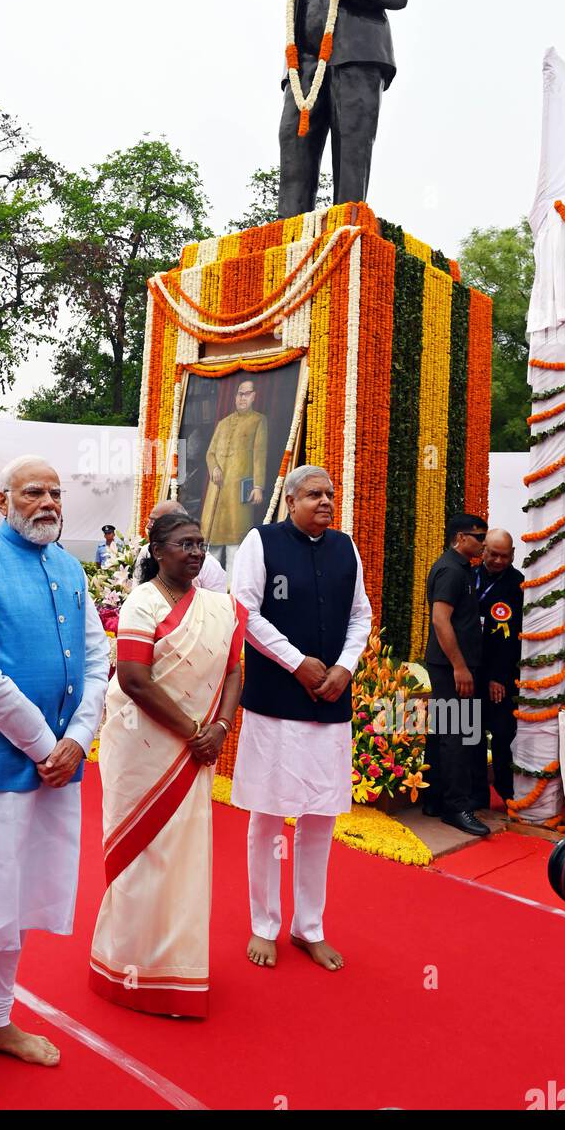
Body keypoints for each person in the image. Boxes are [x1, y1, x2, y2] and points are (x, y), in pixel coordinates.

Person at [0, 455, 109, 1111]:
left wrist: (78, 741)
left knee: (23, 898)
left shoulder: (69, 568)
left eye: (56, 492)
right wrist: (46, 744)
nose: (48, 502)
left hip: (56, 770)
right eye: (33, 491)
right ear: (3, 500)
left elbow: (98, 662)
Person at [179, 0, 408, 216]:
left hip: (356, 59)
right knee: (294, 150)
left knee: (352, 151)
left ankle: (346, 233)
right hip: (304, 68)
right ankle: (289, 237)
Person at [89, 513, 245, 1017]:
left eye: (201, 544)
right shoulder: (142, 601)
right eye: (184, 545)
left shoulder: (218, 607)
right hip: (147, 750)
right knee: (143, 853)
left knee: (184, 858)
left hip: (195, 751)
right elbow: (134, 679)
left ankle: (177, 970)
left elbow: (234, 669)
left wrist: (218, 729)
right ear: (158, 551)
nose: (197, 553)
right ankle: (126, 966)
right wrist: (194, 732)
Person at [231, 465, 372, 971]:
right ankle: (263, 924)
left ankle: (308, 927)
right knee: (268, 816)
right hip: (275, 703)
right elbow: (244, 612)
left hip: (331, 701)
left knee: (319, 818)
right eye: (315, 494)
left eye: (331, 494)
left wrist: (344, 666)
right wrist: (297, 662)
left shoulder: (345, 548)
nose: (326, 502)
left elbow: (362, 616)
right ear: (290, 500)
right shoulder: (261, 542)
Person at [423, 512, 489, 836]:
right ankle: (456, 807)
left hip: (452, 664)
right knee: (457, 735)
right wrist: (460, 667)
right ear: (460, 538)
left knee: (446, 733)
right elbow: (440, 620)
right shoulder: (451, 570)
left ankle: (435, 798)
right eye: (479, 536)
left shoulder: (460, 567)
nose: (484, 541)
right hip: (451, 666)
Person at [473, 529, 523, 808]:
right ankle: (477, 795)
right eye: (493, 554)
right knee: (471, 734)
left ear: (512, 555)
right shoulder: (469, 576)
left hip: (500, 678)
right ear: (483, 551)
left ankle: (507, 793)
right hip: (469, 672)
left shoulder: (519, 585)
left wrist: (499, 677)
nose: (498, 560)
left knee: (503, 735)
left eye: (504, 556)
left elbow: (515, 637)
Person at [202, 379, 267, 571]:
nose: (242, 398)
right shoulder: (223, 424)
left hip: (238, 492)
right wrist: (214, 468)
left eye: (246, 394)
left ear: (254, 396)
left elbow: (259, 454)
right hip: (217, 492)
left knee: (235, 546)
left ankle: (232, 591)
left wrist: (258, 486)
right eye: (239, 393)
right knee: (212, 546)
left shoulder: (258, 420)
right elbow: (210, 453)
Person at [133, 499, 227, 591]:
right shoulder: (146, 551)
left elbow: (218, 603)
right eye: (149, 520)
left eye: (200, 545)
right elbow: (137, 591)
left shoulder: (209, 565)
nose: (149, 526)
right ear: (156, 551)